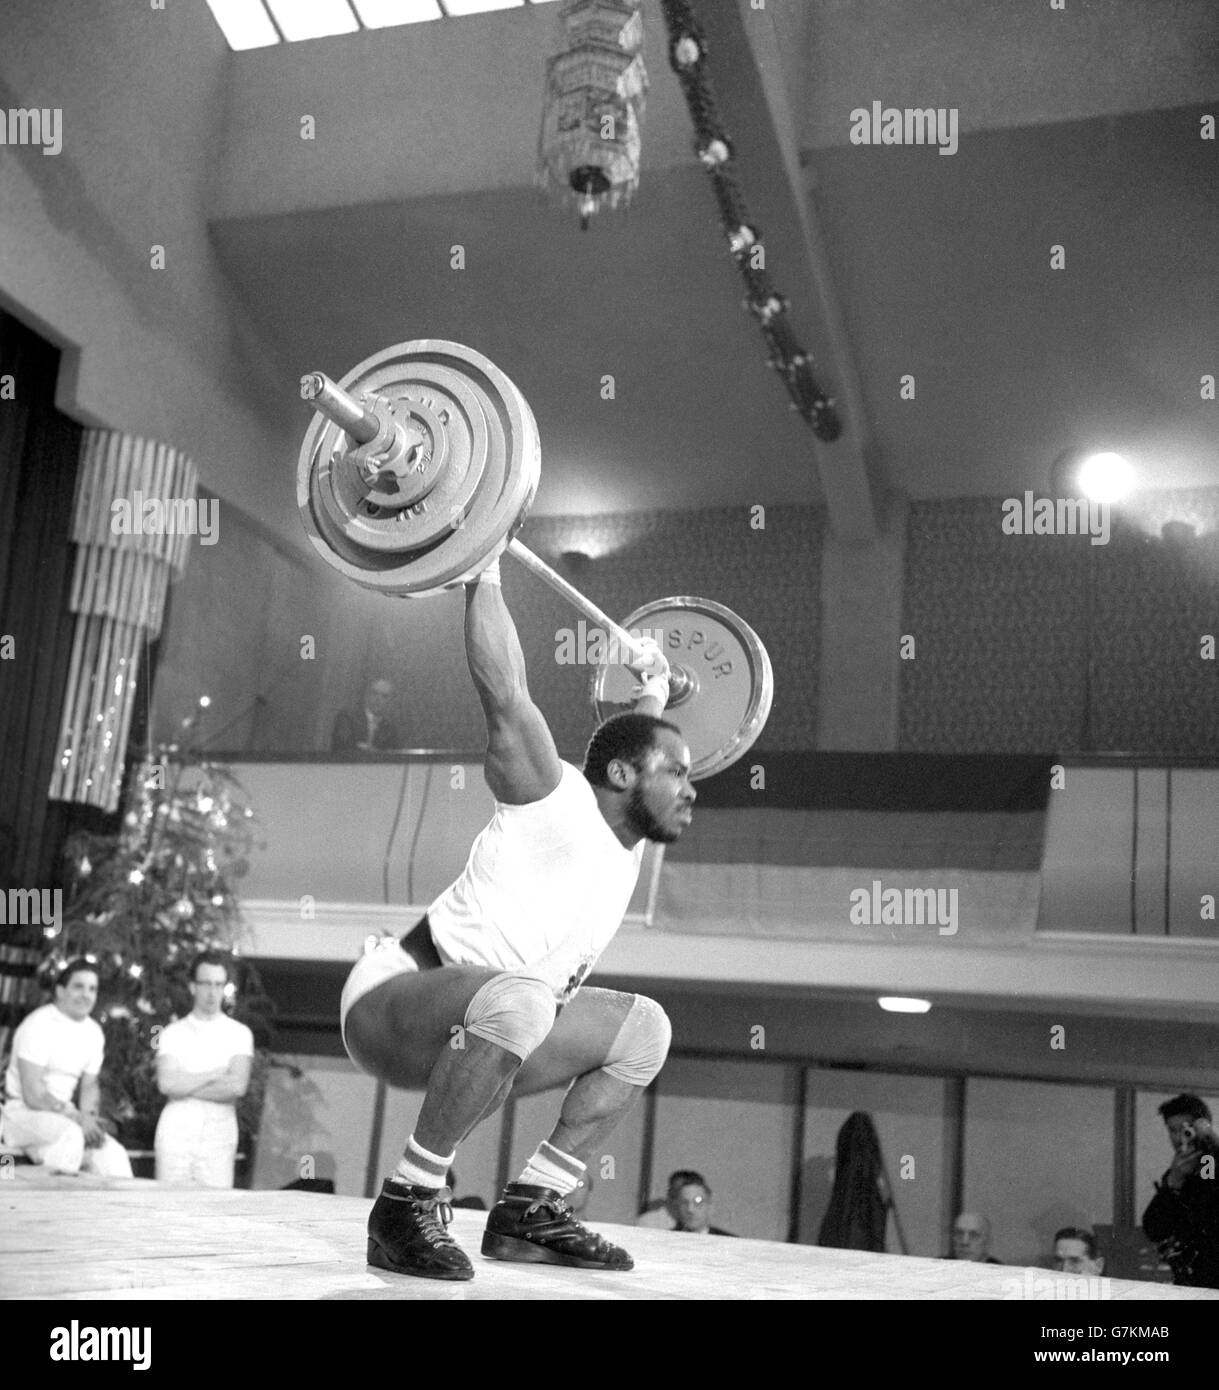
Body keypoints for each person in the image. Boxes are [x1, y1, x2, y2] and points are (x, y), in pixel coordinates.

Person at [340, 555, 694, 1281]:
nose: (692, 791)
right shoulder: (550, 794)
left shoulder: (622, 836)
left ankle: (532, 1207)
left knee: (642, 1030)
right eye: (679, 774)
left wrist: (652, 690)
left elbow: (630, 747)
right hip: (394, 1005)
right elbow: (504, 693)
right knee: (524, 995)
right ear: (624, 779)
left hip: (499, 1031)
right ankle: (407, 1201)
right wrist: (484, 565)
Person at [0, 958, 132, 1177]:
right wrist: (78, 1119)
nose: (86, 994)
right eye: (78, 986)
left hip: (64, 1117)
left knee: (113, 1154)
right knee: (70, 1136)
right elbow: (33, 1094)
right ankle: (52, 1209)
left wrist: (88, 1118)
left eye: (92, 989)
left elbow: (90, 1085)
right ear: (60, 991)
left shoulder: (93, 1032)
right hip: (21, 1114)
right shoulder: (38, 1024)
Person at [153, 952, 254, 1187]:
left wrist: (184, 1085)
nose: (212, 992)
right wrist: (214, 1074)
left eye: (218, 984)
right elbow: (166, 1084)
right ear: (192, 986)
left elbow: (237, 1087)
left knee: (213, 1212)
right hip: (175, 1132)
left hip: (218, 1134)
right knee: (167, 1207)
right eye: (206, 983)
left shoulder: (239, 1034)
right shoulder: (173, 1033)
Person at [1142, 1093, 1219, 1289]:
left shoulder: (1210, 1162)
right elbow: (1154, 1229)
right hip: (1192, 1282)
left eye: (1186, 1129)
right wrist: (1174, 1182)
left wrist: (1213, 1148)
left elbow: (1209, 1214)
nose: (1178, 1138)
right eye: (1172, 1130)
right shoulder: (1175, 1172)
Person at [331, 677, 402, 752]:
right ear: (367, 695)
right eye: (374, 693)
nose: (378, 698)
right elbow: (342, 744)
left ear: (390, 701)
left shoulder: (390, 728)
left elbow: (392, 755)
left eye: (384, 696)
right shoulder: (347, 716)